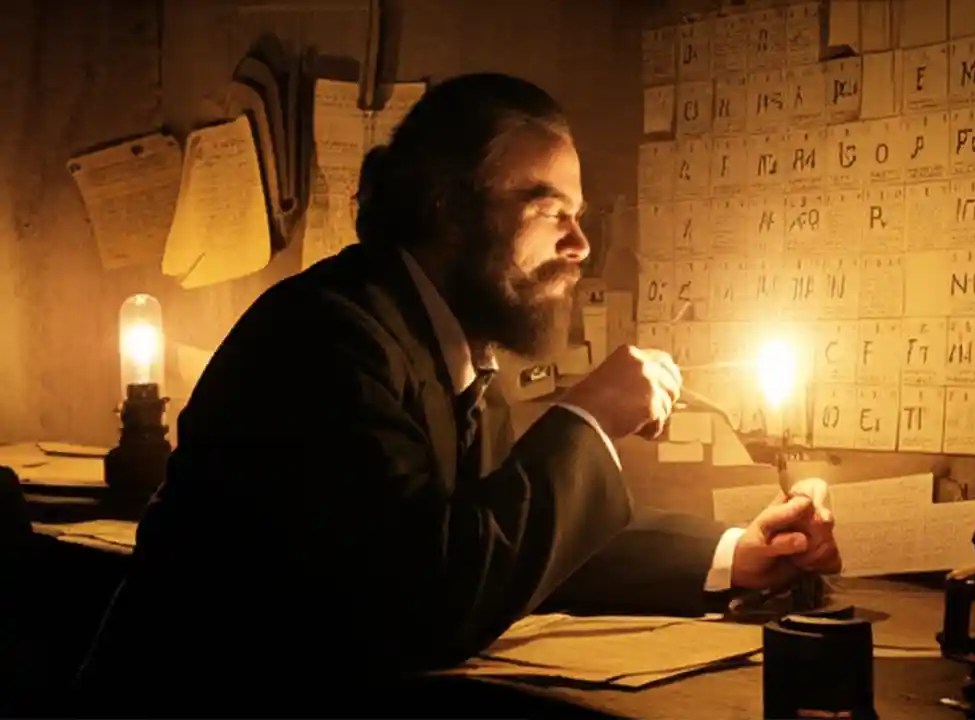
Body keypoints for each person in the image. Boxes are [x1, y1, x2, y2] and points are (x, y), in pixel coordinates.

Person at [75, 73, 841, 715]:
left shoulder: (447, 351)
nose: (580, 246)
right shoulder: (328, 344)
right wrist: (590, 418)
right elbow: (426, 599)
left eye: (578, 218)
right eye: (549, 212)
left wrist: (734, 555)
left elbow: (508, 536)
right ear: (446, 205)